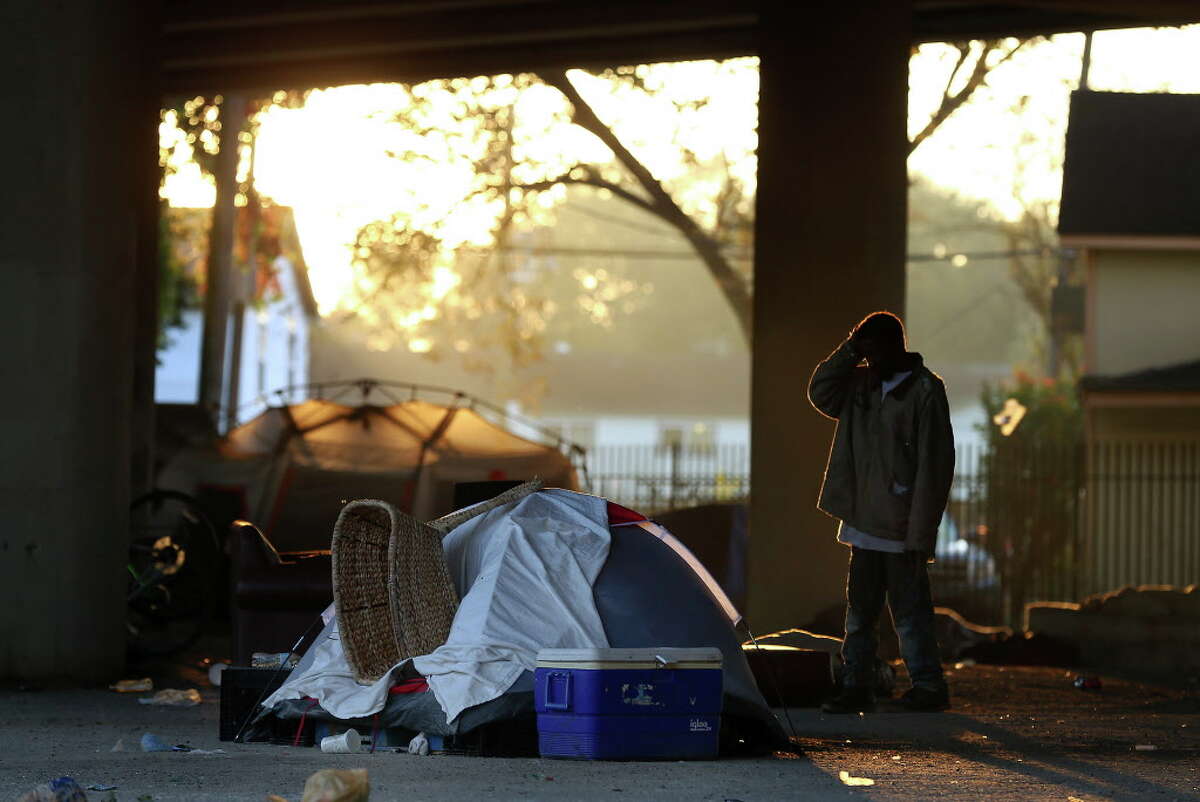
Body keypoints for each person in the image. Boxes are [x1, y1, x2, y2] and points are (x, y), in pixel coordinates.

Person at [808, 311, 955, 713]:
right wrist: (849, 348)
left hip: (902, 525)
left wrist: (920, 536)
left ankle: (927, 686)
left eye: (872, 351)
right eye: (863, 353)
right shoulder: (860, 386)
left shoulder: (925, 391)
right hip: (863, 524)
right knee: (860, 614)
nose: (868, 361)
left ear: (895, 346)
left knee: (910, 615)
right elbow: (820, 391)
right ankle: (857, 686)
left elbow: (935, 467)